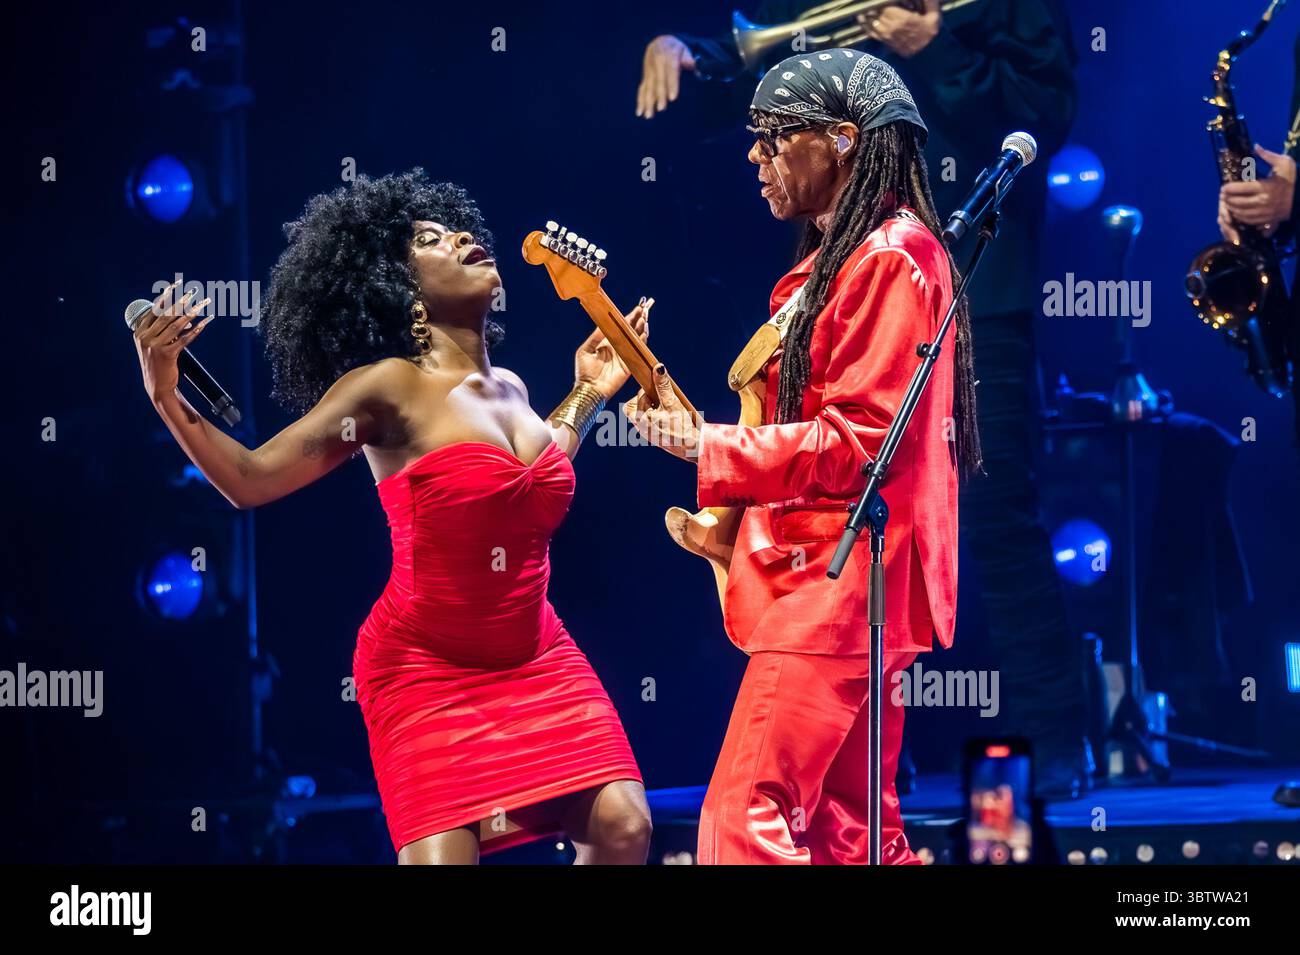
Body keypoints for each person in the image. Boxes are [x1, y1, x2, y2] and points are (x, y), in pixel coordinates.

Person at [636, 0, 1093, 799]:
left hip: (981, 287)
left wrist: (936, 47)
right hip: (850, 266)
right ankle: (860, 749)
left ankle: (1055, 739)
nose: (761, 154)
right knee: (840, 506)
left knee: (995, 514)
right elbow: (763, 54)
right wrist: (693, 52)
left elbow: (1044, 109)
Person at [131, 170, 652, 864]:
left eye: (459, 229)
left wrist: (588, 390)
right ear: (405, 294)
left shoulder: (516, 389)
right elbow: (249, 480)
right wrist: (166, 393)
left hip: (536, 656)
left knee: (624, 826)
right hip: (425, 667)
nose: (464, 237)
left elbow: (539, 465)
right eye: (432, 241)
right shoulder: (387, 385)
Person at [626, 50, 973, 864]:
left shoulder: (890, 256)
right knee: (851, 837)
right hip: (834, 575)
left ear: (843, 140)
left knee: (741, 822)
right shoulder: (844, 261)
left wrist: (705, 445)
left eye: (774, 137)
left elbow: (860, 445)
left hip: (842, 582)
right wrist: (701, 434)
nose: (755, 155)